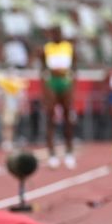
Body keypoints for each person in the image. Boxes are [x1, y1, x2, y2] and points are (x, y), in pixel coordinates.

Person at [41, 26, 76, 169]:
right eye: (53, 33)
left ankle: (69, 152)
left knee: (68, 119)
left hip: (65, 82)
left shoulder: (69, 47)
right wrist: (45, 88)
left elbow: (74, 68)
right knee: (50, 118)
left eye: (58, 33)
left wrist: (73, 87)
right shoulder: (46, 48)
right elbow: (43, 70)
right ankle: (52, 154)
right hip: (52, 83)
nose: (56, 35)